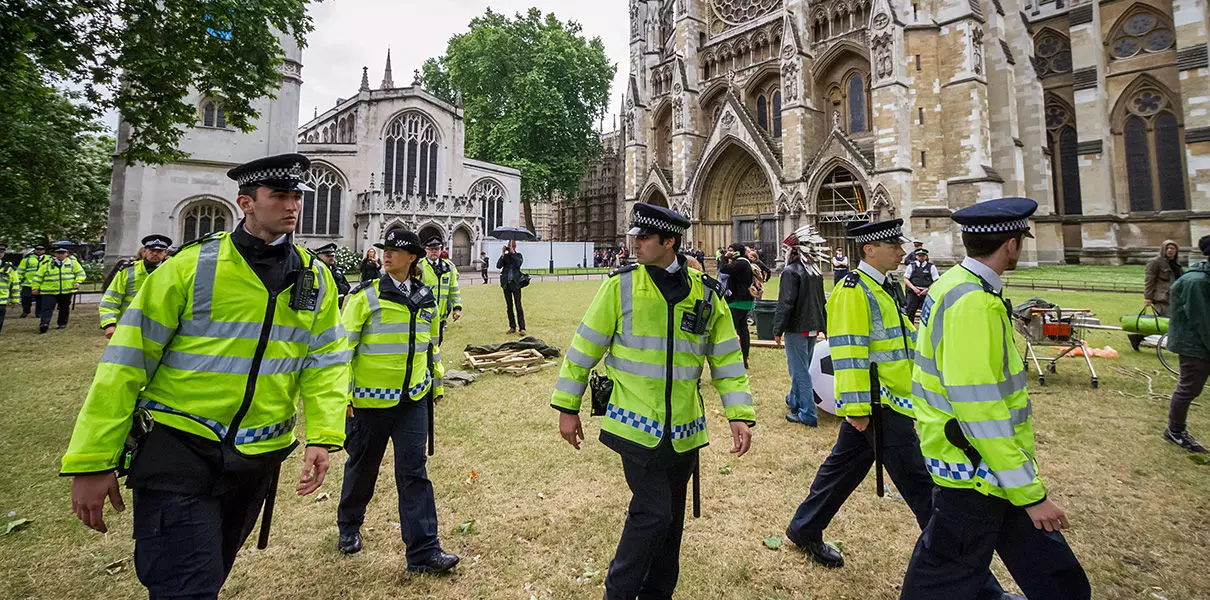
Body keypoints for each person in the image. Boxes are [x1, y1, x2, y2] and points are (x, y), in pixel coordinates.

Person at [59, 153, 350, 599]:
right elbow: (125, 363)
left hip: (257, 455)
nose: (292, 206)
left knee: (209, 577)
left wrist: (323, 436)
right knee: (188, 586)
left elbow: (325, 361)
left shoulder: (315, 277)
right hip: (179, 448)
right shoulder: (190, 267)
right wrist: (93, 459)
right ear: (246, 203)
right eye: (280, 196)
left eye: (297, 196)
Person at [785, 220, 1013, 600]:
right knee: (928, 495)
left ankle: (805, 528)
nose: (901, 250)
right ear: (869, 249)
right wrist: (856, 408)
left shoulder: (883, 287)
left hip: (893, 401)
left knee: (842, 469)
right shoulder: (853, 290)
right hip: (879, 407)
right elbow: (848, 351)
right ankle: (981, 588)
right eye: (893, 244)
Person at [552, 202, 755, 600]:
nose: (635, 243)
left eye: (644, 237)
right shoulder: (620, 286)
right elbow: (583, 348)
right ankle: (619, 592)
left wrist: (739, 414)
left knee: (672, 520)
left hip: (684, 429)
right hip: (634, 424)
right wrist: (567, 406)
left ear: (669, 242)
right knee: (654, 512)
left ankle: (658, 593)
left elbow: (727, 358)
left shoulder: (707, 294)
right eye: (635, 236)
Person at [901, 197, 1090, 600]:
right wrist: (1031, 494)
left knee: (1058, 580)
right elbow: (979, 406)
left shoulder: (951, 285)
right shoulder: (973, 302)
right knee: (942, 577)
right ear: (1011, 245)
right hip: (978, 468)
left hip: (983, 465)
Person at [336, 226, 459, 572]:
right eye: (385, 249)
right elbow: (344, 351)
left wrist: (435, 386)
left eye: (395, 250)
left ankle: (423, 552)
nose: (386, 255)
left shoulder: (425, 298)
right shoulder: (365, 296)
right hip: (369, 403)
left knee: (414, 473)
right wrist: (344, 397)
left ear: (412, 258)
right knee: (363, 468)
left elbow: (429, 348)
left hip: (412, 402)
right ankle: (349, 524)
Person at [773, 226, 828, 427]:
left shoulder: (790, 272)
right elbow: (822, 302)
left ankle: (807, 413)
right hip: (812, 326)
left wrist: (777, 330)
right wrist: (825, 326)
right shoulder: (815, 272)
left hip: (797, 326)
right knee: (802, 368)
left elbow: (785, 303)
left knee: (799, 371)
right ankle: (795, 401)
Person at [1161, 235, 1210, 453]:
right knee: (1189, 388)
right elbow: (1201, 319)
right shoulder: (1196, 282)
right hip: (1194, 345)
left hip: (1202, 341)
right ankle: (1175, 431)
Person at [99, 235, 172, 339]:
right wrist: (109, 324)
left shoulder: (172, 271)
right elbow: (111, 299)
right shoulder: (127, 271)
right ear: (145, 251)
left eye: (160, 251)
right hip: (128, 325)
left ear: (165, 253)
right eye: (152, 250)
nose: (155, 253)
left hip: (159, 328)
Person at [1130, 240, 1182, 352]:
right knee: (1167, 322)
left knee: (1165, 322)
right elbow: (1149, 280)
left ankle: (1137, 337)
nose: (1170, 250)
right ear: (1163, 249)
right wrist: (1148, 297)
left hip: (1176, 298)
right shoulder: (1155, 262)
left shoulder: (1176, 264)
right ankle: (1175, 345)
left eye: (1172, 248)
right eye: (1167, 248)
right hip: (1162, 298)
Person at [31, 244, 86, 333]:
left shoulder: (72, 263)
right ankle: (44, 324)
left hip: (66, 290)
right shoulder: (47, 264)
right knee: (47, 308)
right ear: (55, 254)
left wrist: (78, 282)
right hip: (49, 291)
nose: (60, 255)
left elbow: (81, 273)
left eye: (62, 253)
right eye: (58, 253)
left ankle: (62, 323)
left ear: (66, 254)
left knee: (64, 308)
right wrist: (35, 287)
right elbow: (38, 277)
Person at [719, 243, 755, 368]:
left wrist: (724, 258)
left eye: (731, 250)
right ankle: (744, 357)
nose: (729, 252)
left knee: (731, 330)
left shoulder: (740, 263)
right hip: (744, 301)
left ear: (737, 252)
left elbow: (723, 269)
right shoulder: (744, 262)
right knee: (743, 329)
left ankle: (734, 358)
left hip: (738, 301)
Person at [421, 236, 463, 344]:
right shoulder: (418, 266)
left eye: (437, 249)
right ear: (426, 250)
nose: (434, 252)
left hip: (441, 316)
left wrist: (457, 308)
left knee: (437, 344)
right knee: (422, 345)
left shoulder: (449, 267)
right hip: (423, 316)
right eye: (431, 249)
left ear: (441, 250)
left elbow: (454, 289)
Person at [903, 248, 940, 323]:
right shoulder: (911, 266)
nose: (921, 257)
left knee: (929, 311)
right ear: (916, 256)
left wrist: (927, 289)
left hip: (926, 292)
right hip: (914, 292)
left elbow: (936, 280)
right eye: (919, 256)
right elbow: (906, 279)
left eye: (923, 255)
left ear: (926, 257)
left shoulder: (931, 267)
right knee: (910, 311)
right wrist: (914, 289)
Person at [497, 240, 526, 335]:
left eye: (511, 246)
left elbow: (518, 264)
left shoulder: (518, 256)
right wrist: (502, 254)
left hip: (516, 284)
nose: (510, 247)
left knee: (518, 306)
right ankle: (512, 326)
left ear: (515, 246)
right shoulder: (505, 257)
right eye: (509, 246)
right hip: (506, 284)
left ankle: (522, 328)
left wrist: (513, 253)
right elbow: (498, 266)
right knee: (509, 306)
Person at [17, 244, 49, 318]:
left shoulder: (49, 259)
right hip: (28, 283)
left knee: (40, 300)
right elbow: (20, 270)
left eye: (41, 250)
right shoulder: (27, 259)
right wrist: (18, 280)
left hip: (42, 283)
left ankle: (39, 314)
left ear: (44, 251)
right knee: (25, 298)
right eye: (37, 249)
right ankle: (26, 311)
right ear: (35, 250)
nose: (39, 251)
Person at [0, 245, 18, 334]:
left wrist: (15, 300)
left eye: (1, 252)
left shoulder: (9, 268)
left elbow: (15, 284)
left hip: (2, 300)